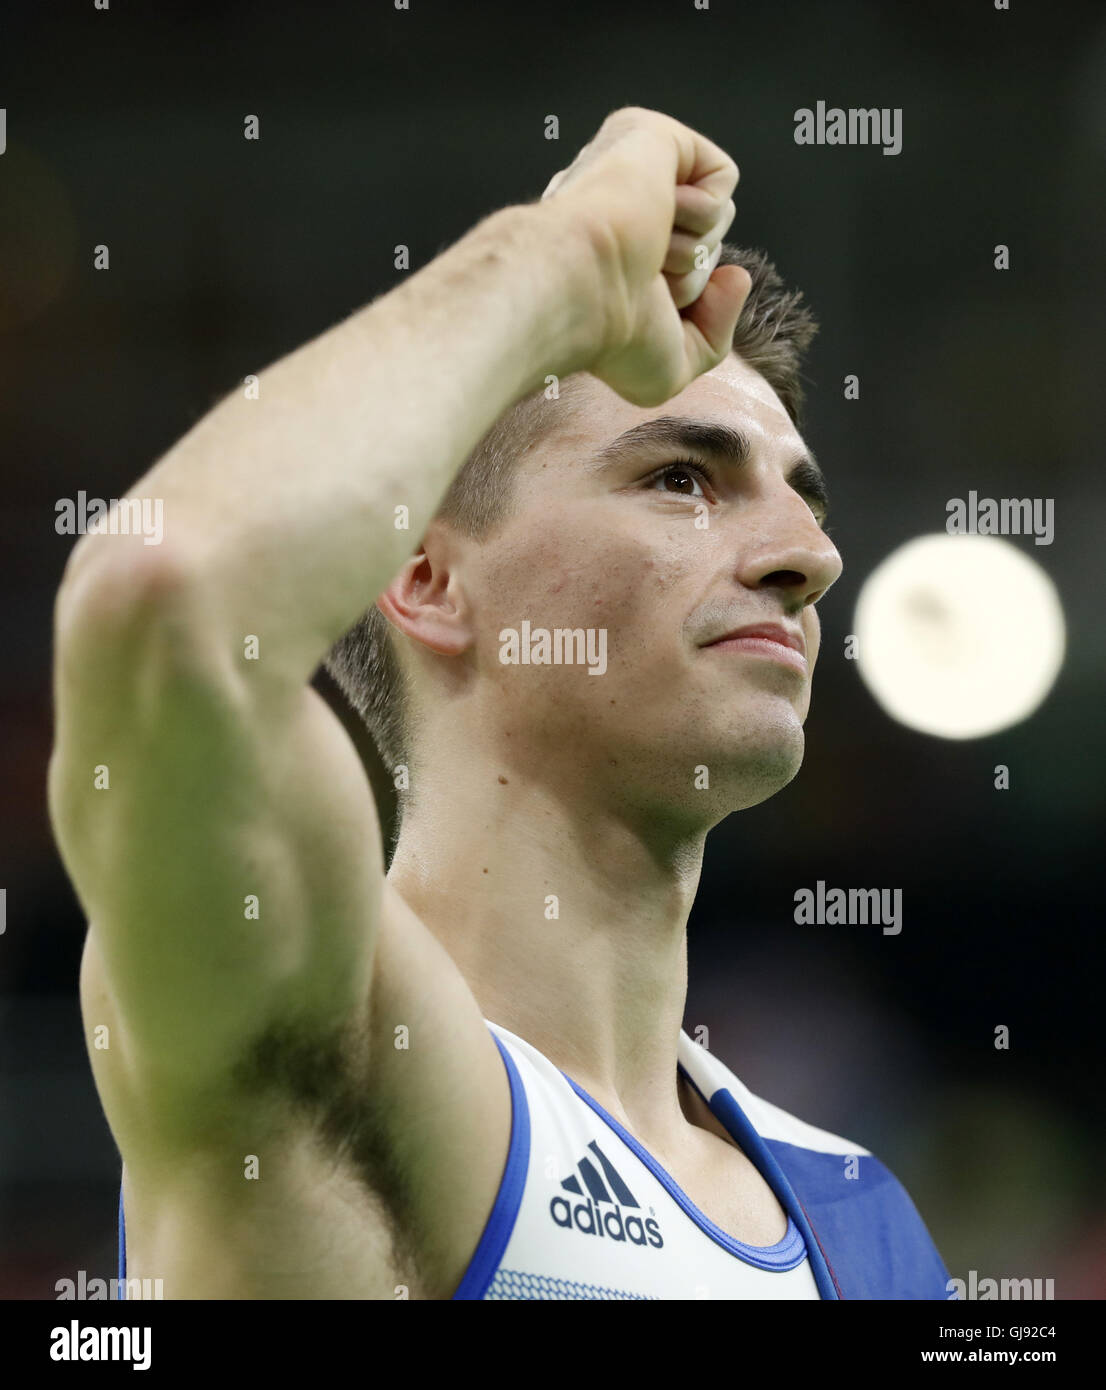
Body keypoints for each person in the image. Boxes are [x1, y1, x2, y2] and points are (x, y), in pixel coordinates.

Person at [50, 106, 950, 1299]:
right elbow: (162, 597)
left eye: (804, 499)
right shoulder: (351, 1056)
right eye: (680, 478)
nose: (808, 557)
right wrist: (558, 261)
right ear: (424, 577)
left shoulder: (867, 1220)